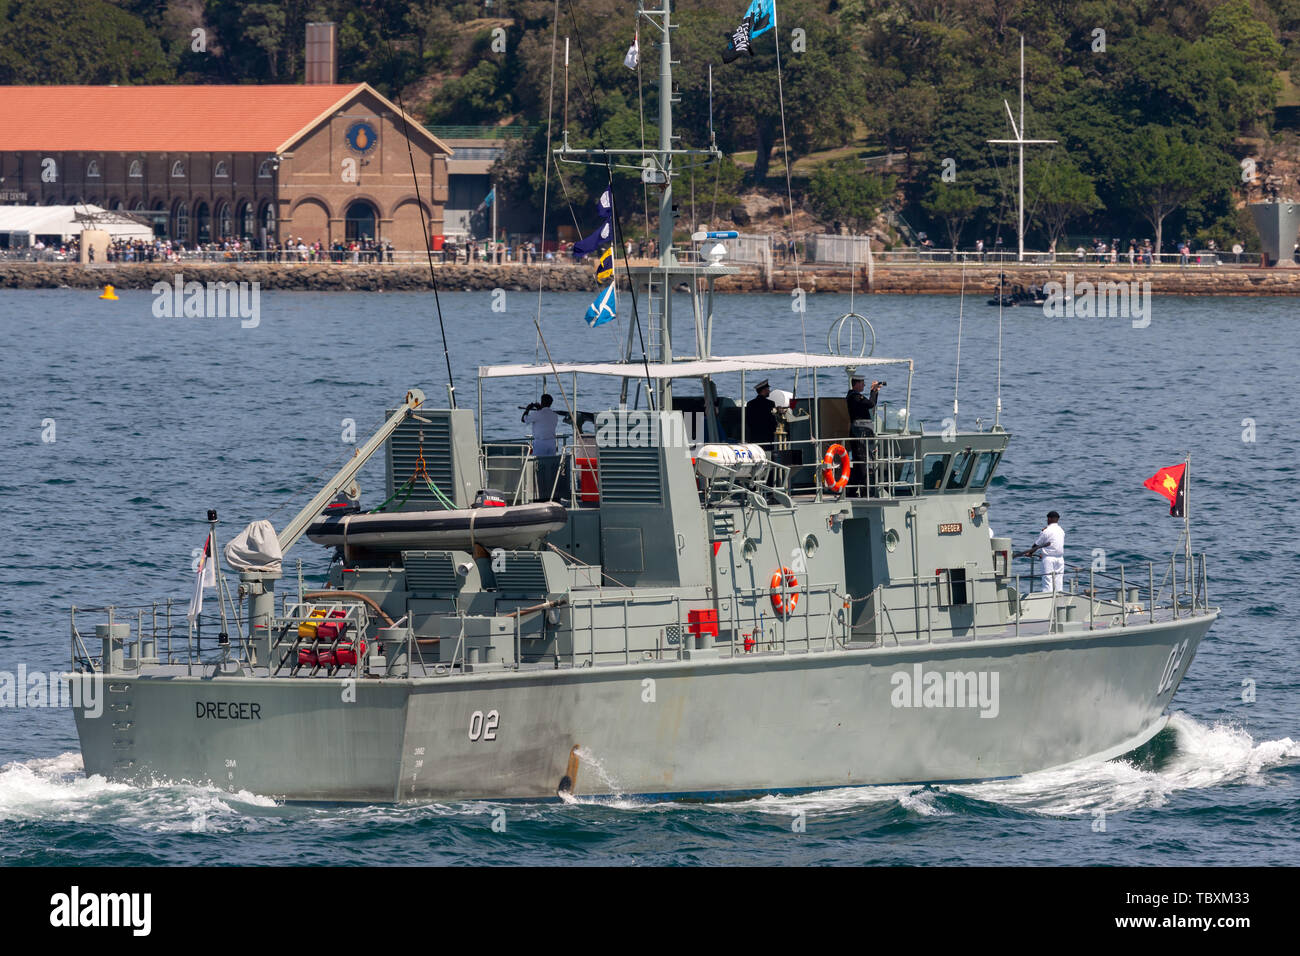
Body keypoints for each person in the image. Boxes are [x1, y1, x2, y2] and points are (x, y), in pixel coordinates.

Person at [845, 376, 881, 497]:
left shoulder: (855, 396)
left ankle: (852, 490)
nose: (864, 386)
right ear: (856, 384)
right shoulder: (854, 396)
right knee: (863, 462)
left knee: (860, 462)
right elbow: (870, 404)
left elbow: (871, 404)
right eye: (862, 383)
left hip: (862, 432)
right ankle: (866, 491)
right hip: (859, 433)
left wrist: (875, 392)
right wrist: (873, 391)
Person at [523, 394, 563, 500]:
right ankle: (551, 492)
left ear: (542, 402)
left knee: (539, 469)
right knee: (550, 469)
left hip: (540, 444)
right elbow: (545, 417)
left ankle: (539, 493)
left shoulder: (537, 414)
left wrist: (527, 409)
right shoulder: (554, 415)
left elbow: (524, 420)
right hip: (551, 443)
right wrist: (540, 409)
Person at [1019, 511, 1065, 592]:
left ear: (1049, 519)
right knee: (1058, 580)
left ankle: (1047, 599)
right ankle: (1059, 599)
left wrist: (1030, 553)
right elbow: (1055, 545)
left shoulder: (1046, 531)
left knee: (1047, 580)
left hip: (1049, 559)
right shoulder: (1061, 530)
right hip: (1060, 559)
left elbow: (1037, 545)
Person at [745, 380, 777, 448]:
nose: (769, 391)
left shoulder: (750, 403)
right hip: (767, 436)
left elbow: (748, 420)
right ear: (764, 390)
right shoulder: (770, 403)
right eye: (768, 389)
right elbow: (772, 421)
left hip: (754, 436)